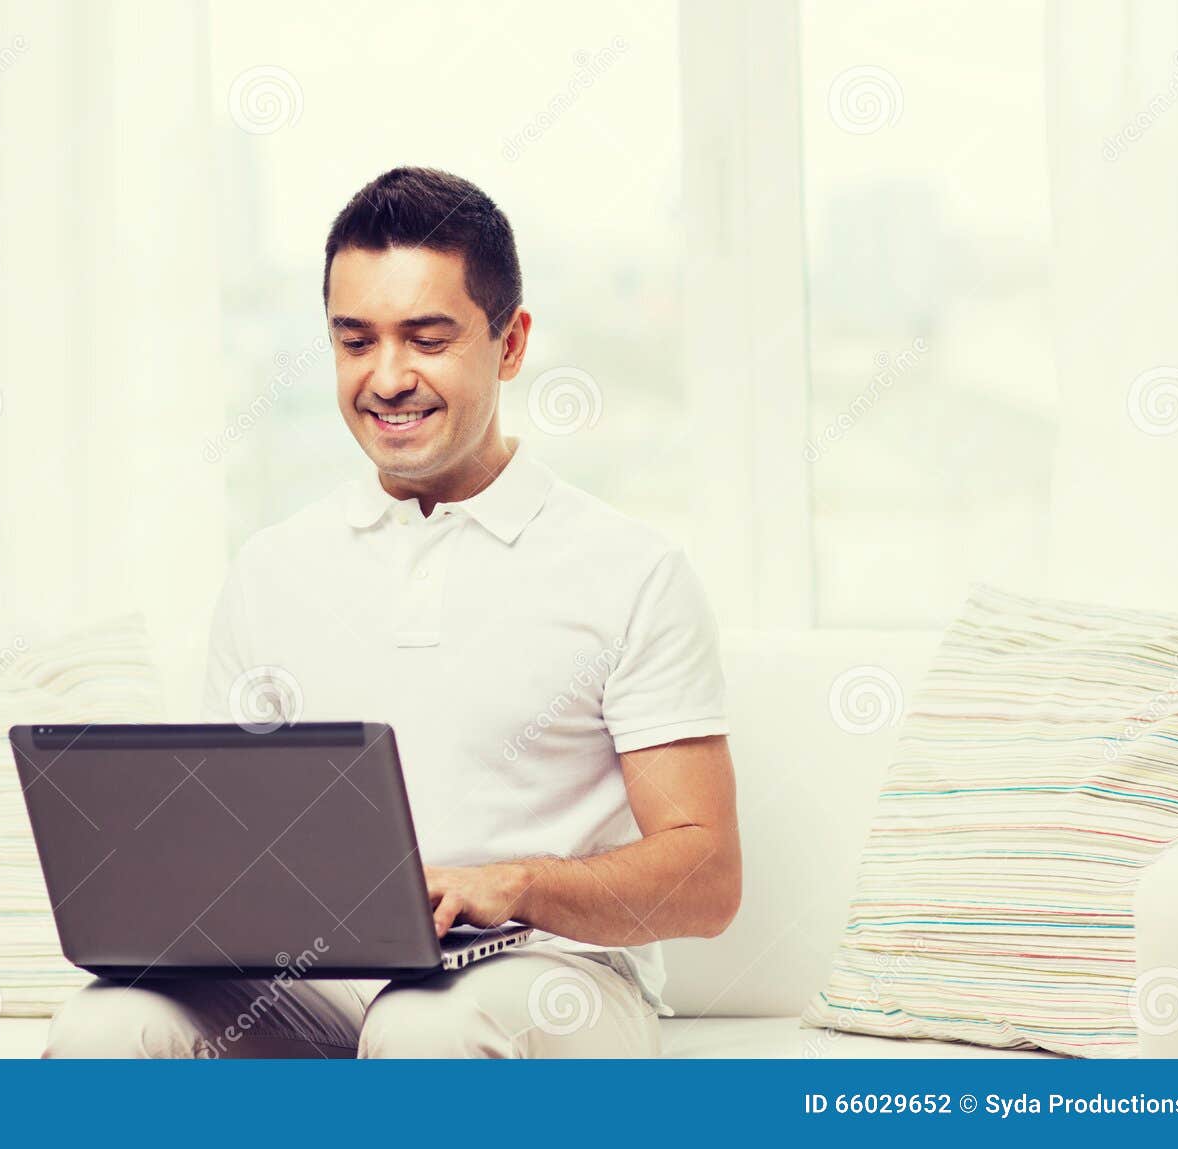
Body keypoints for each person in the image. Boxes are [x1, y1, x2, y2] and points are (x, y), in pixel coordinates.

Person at [45, 166, 741, 1059]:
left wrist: (515, 884)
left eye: (427, 337)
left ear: (511, 342)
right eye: (356, 339)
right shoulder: (271, 571)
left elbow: (708, 878)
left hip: (552, 976)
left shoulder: (632, 570)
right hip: (315, 985)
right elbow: (221, 849)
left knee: (423, 1026)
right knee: (107, 1024)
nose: (388, 378)